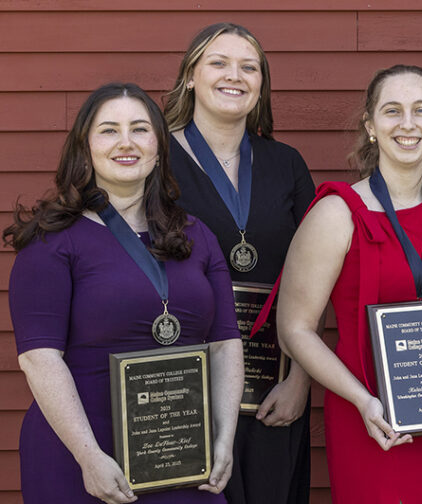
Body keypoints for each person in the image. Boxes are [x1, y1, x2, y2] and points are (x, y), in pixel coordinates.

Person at [4, 83, 244, 504]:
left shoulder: (196, 236)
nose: (126, 143)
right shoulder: (53, 242)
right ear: (85, 146)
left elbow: (225, 344)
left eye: (139, 129)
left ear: (158, 147)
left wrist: (224, 437)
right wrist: (88, 455)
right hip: (81, 453)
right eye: (109, 130)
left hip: (180, 450)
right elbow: (39, 359)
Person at [275, 64, 422, 503]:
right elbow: (294, 328)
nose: (408, 124)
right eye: (392, 111)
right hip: (370, 419)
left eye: (421, 110)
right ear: (370, 126)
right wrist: (362, 401)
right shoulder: (337, 213)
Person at [163, 23, 315, 504]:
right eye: (219, 63)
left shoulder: (286, 163)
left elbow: (314, 279)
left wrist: (300, 380)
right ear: (190, 76)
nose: (235, 75)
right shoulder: (154, 158)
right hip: (183, 379)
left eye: (249, 67)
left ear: (261, 84)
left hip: (272, 385)